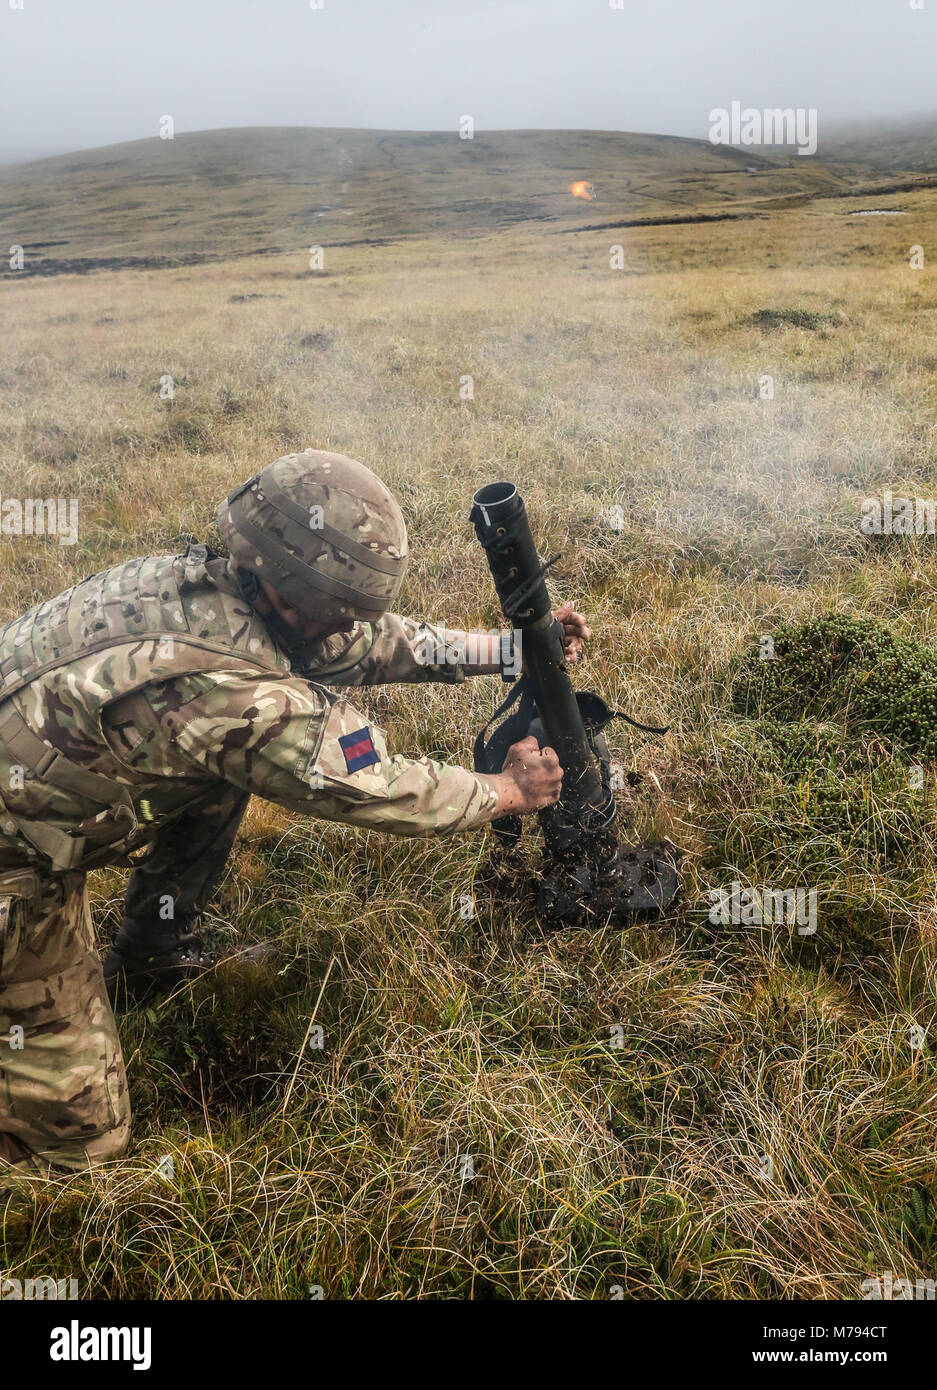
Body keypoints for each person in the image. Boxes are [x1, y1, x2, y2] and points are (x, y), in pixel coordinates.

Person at [0, 449, 589, 1174]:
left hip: (34, 796)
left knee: (211, 780)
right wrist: (508, 791)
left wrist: (507, 652)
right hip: (14, 871)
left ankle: (147, 963)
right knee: (81, 1147)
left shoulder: (203, 587)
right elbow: (371, 781)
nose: (345, 625)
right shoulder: (235, 696)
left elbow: (367, 646)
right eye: (335, 609)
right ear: (292, 593)